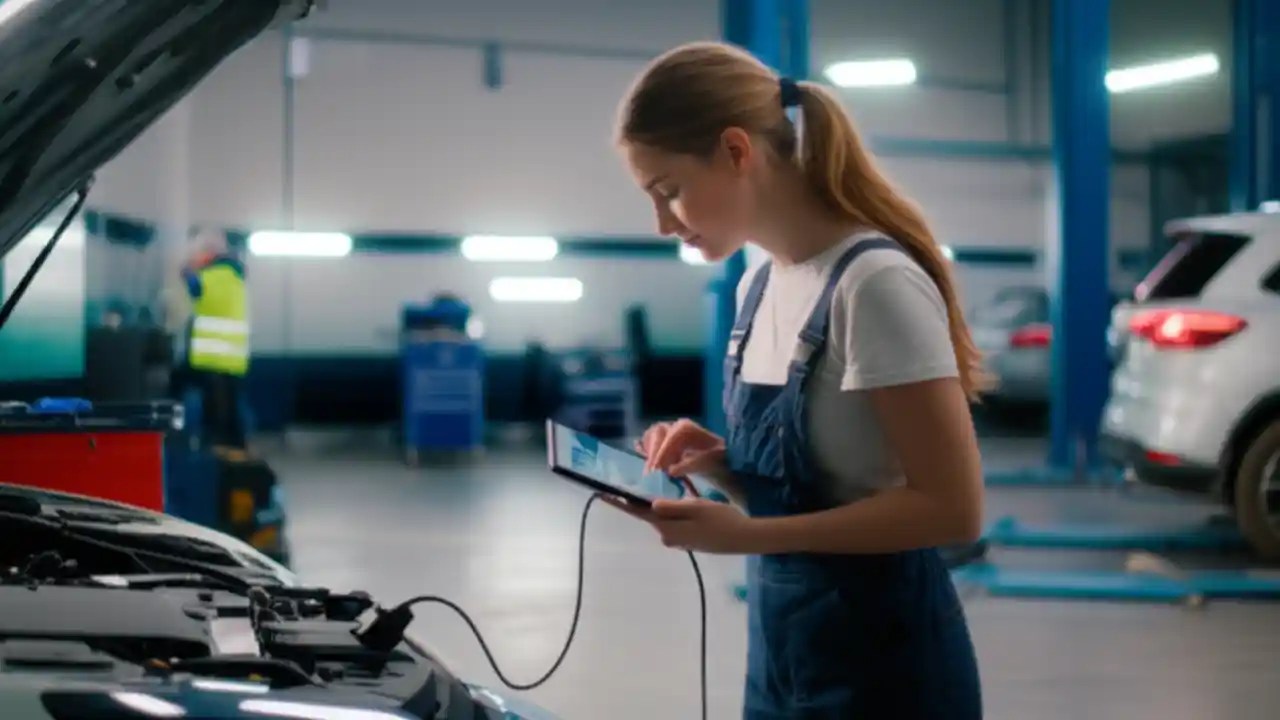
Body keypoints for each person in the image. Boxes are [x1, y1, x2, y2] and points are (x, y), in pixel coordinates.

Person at [612, 42, 986, 719]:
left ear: (735, 151)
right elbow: (823, 487)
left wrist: (745, 535)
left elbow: (953, 509)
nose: (663, 223)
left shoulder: (873, 284)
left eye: (669, 192)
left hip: (887, 668)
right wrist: (724, 467)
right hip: (785, 657)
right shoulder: (758, 284)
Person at [181, 227, 250, 450]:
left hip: (218, 357)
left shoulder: (219, 274)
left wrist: (188, 272)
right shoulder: (230, 274)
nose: (195, 259)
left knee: (220, 415)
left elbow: (198, 289)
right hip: (226, 356)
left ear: (209, 254)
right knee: (228, 411)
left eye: (198, 254)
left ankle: (224, 457)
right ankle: (232, 453)